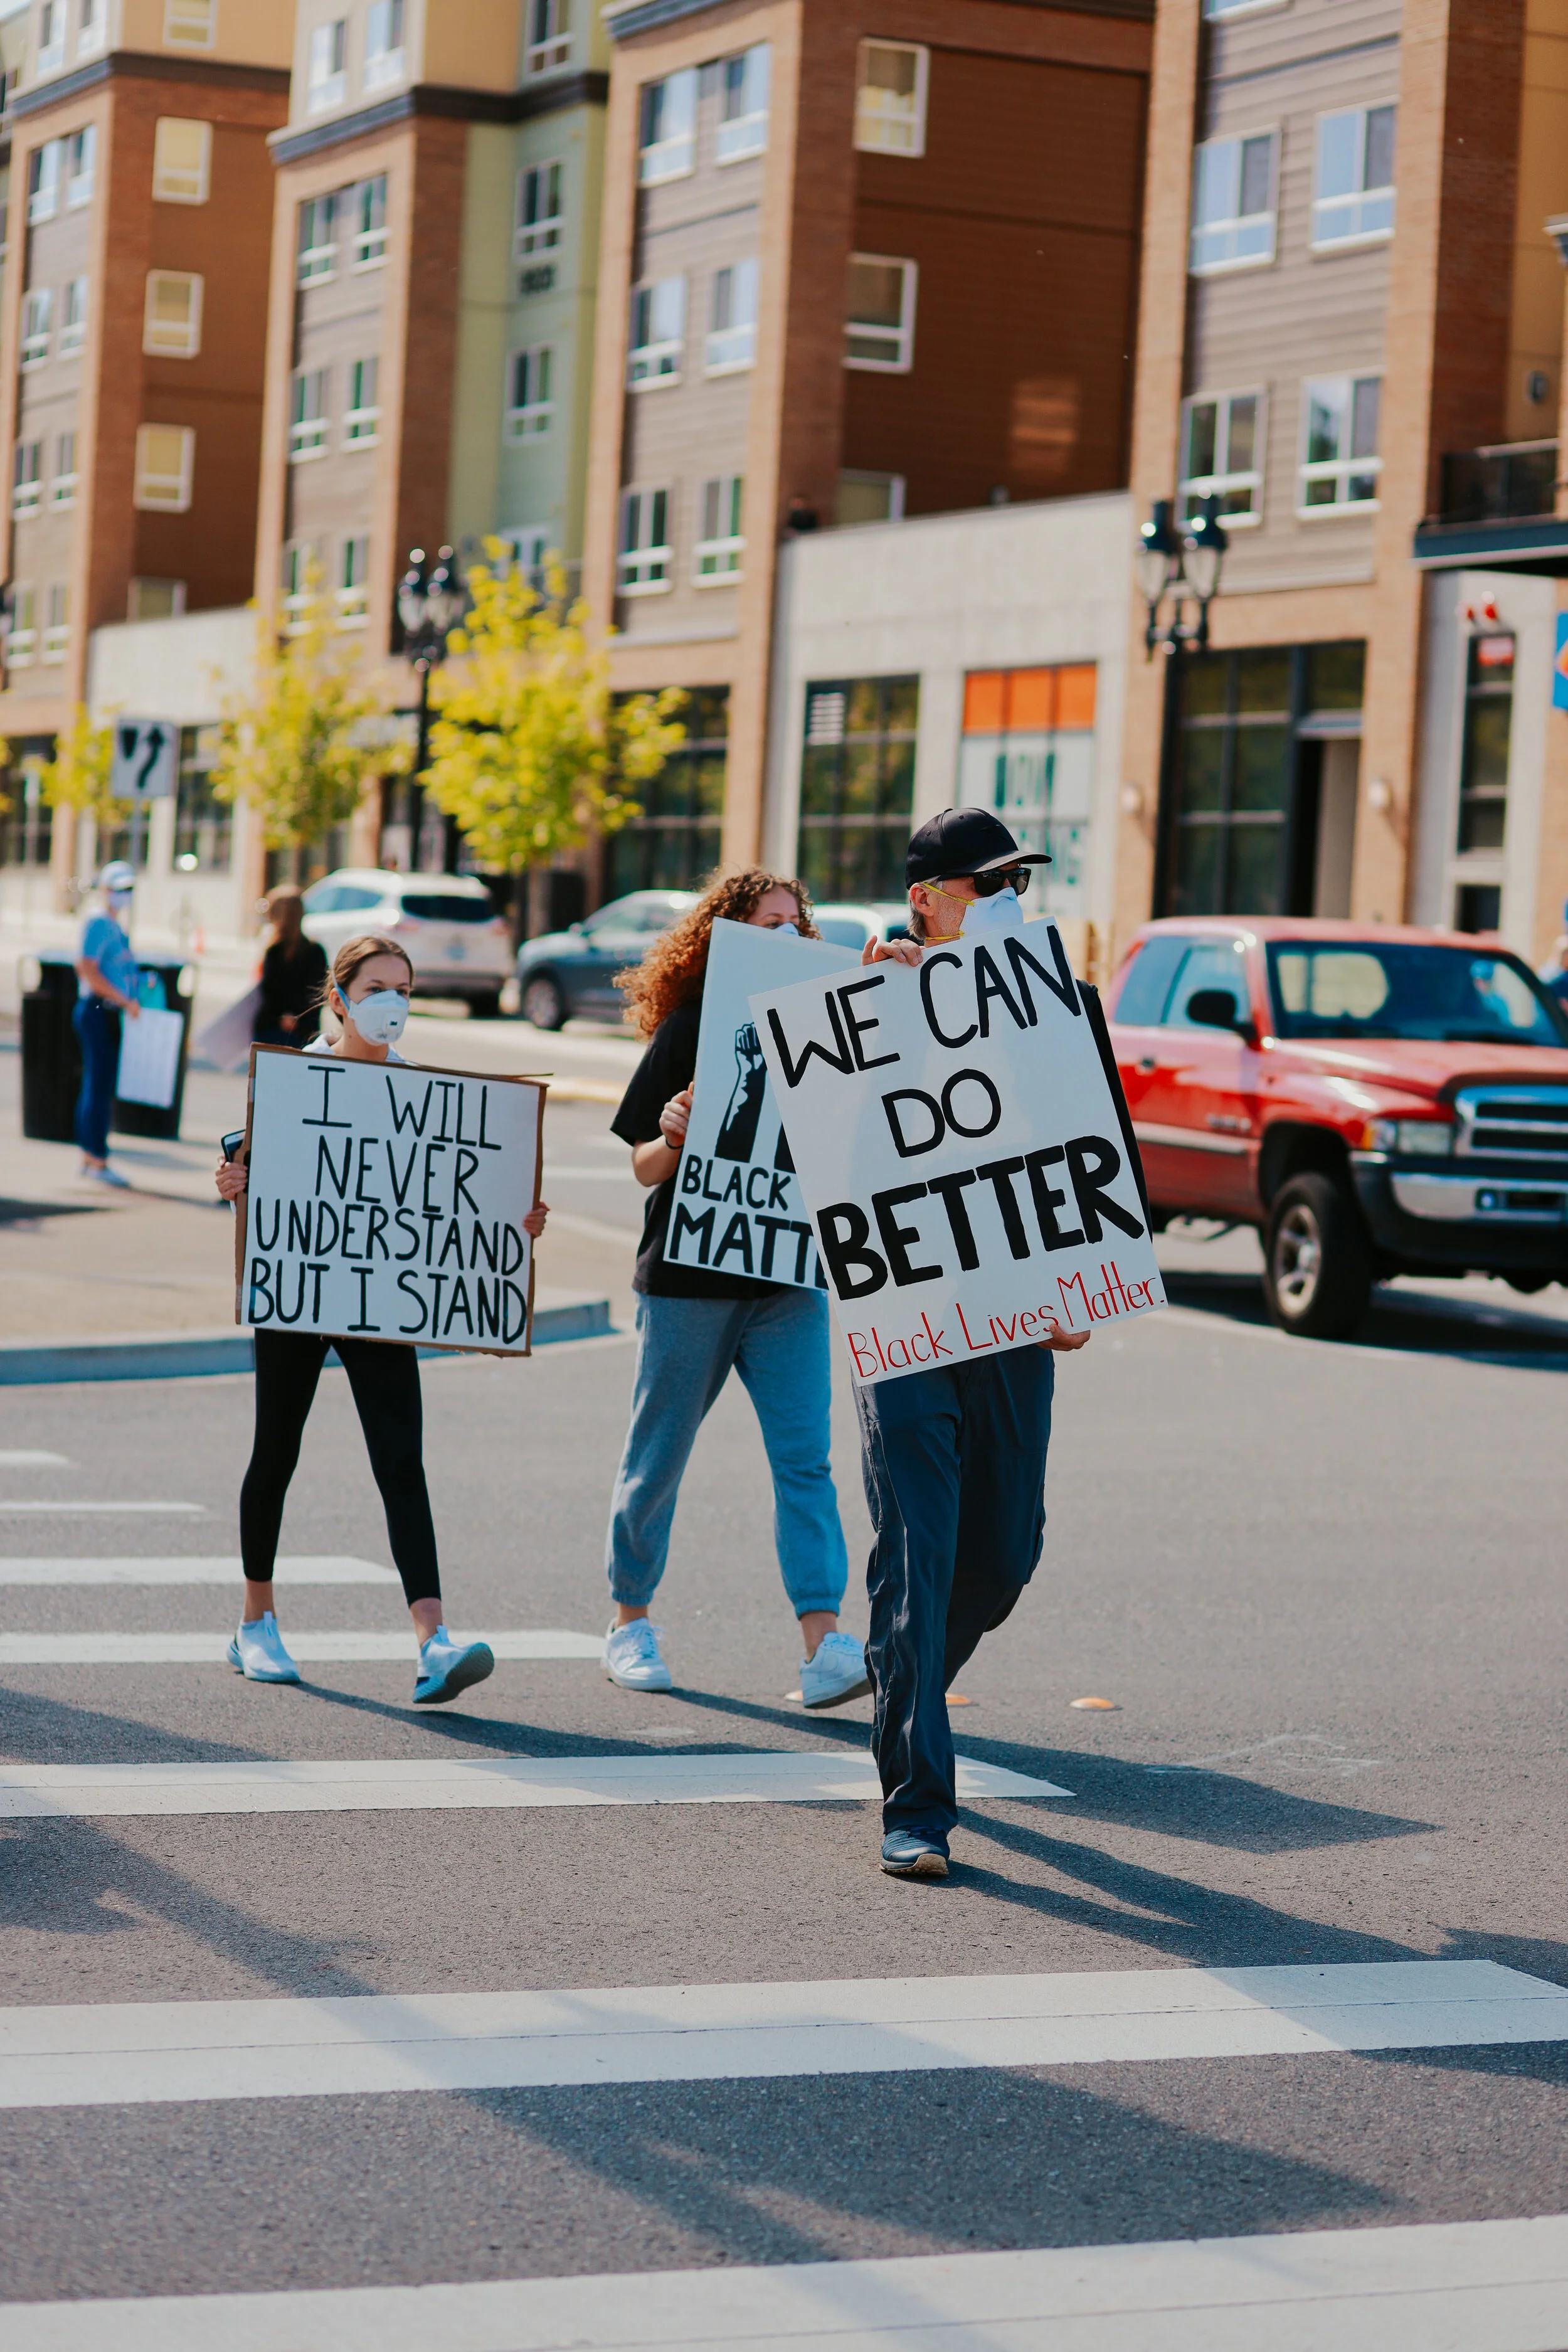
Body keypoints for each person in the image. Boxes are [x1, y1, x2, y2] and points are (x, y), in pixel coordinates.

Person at [215, 933, 549, 1703]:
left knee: (402, 1464)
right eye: (376, 987)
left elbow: (458, 1199)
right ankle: (255, 1622)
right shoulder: (297, 1085)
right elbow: (254, 1181)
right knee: (277, 1451)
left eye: (404, 988)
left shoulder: (427, 1097)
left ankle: (433, 1640)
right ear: (339, 999)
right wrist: (232, 1183)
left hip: (383, 1296)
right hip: (304, 1290)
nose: (392, 1002)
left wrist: (514, 1220)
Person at [854, 808, 1093, 1880]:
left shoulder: (1063, 1007)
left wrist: (1084, 1279)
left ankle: (905, 1679)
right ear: (928, 899)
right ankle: (918, 1800)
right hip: (902, 1311)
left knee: (1002, 1553)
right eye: (986, 883)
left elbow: (1099, 1159)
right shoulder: (860, 1007)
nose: (1007, 900)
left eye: (1017, 883)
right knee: (919, 1550)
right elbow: (806, 1154)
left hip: (1013, 1319)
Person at [602, 868, 866, 1707]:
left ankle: (824, 1645)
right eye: (769, 923)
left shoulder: (832, 1032)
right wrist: (673, 1134)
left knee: (806, 1462)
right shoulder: (692, 1029)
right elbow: (642, 1164)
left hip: (786, 1280)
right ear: (727, 936)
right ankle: (629, 1620)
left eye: (799, 924)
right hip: (689, 1279)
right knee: (659, 1457)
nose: (787, 936)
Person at [73, 860, 141, 1188]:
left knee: (99, 1086)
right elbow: (87, 967)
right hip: (99, 1010)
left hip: (108, 1011)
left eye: (128, 889)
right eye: (118, 889)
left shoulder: (114, 926)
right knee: (98, 1088)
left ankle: (93, 1157)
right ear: (104, 889)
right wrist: (123, 999)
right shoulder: (98, 922)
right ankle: (96, 1159)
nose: (123, 895)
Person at [255, 884, 329, 1048]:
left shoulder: (274, 951)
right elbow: (320, 992)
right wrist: (298, 1018)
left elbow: (268, 991)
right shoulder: (316, 951)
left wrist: (282, 1018)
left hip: (272, 1029)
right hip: (306, 1032)